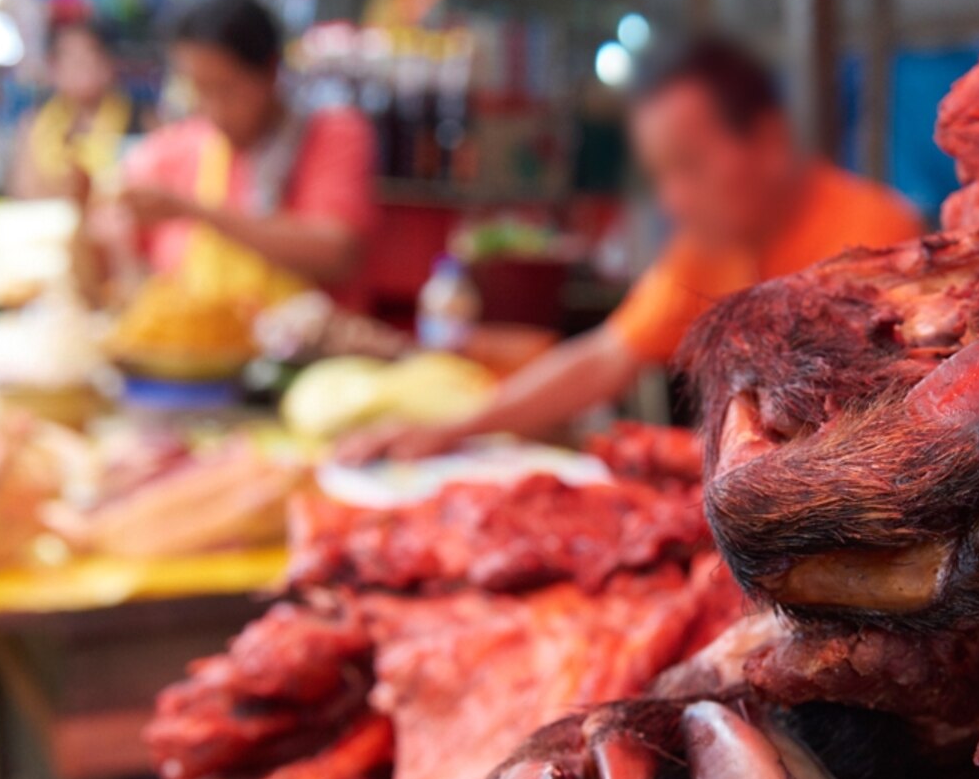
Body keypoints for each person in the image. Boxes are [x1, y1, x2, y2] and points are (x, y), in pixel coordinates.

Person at [341, 38, 920, 462]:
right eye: (662, 175)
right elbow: (604, 358)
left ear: (767, 141)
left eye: (688, 167)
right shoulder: (709, 249)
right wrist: (454, 428)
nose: (672, 199)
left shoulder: (882, 236)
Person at [83, 0, 375, 310]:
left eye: (227, 89)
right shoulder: (182, 145)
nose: (214, 109)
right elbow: (112, 229)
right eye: (199, 89)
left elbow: (337, 254)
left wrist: (195, 211)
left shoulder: (332, 134)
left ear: (271, 71)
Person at [6, 11, 135, 200]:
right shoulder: (34, 124)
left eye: (88, 57)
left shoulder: (140, 121)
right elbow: (23, 193)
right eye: (70, 59)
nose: (80, 68)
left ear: (108, 64)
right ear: (53, 68)